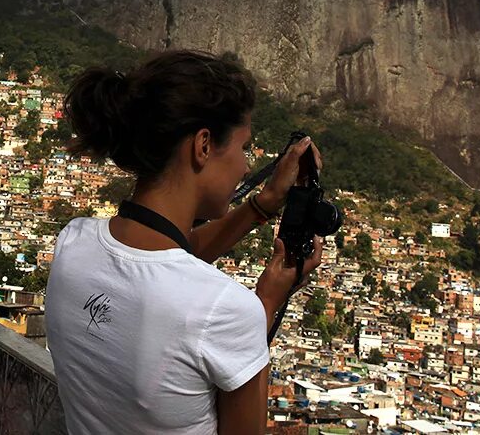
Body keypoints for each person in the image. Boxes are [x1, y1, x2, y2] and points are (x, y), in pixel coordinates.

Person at [45, 50, 324, 435]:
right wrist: (269, 300)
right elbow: (181, 286)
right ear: (203, 145)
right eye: (243, 147)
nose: (246, 166)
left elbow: (163, 262)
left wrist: (262, 205)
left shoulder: (73, 243)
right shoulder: (227, 310)